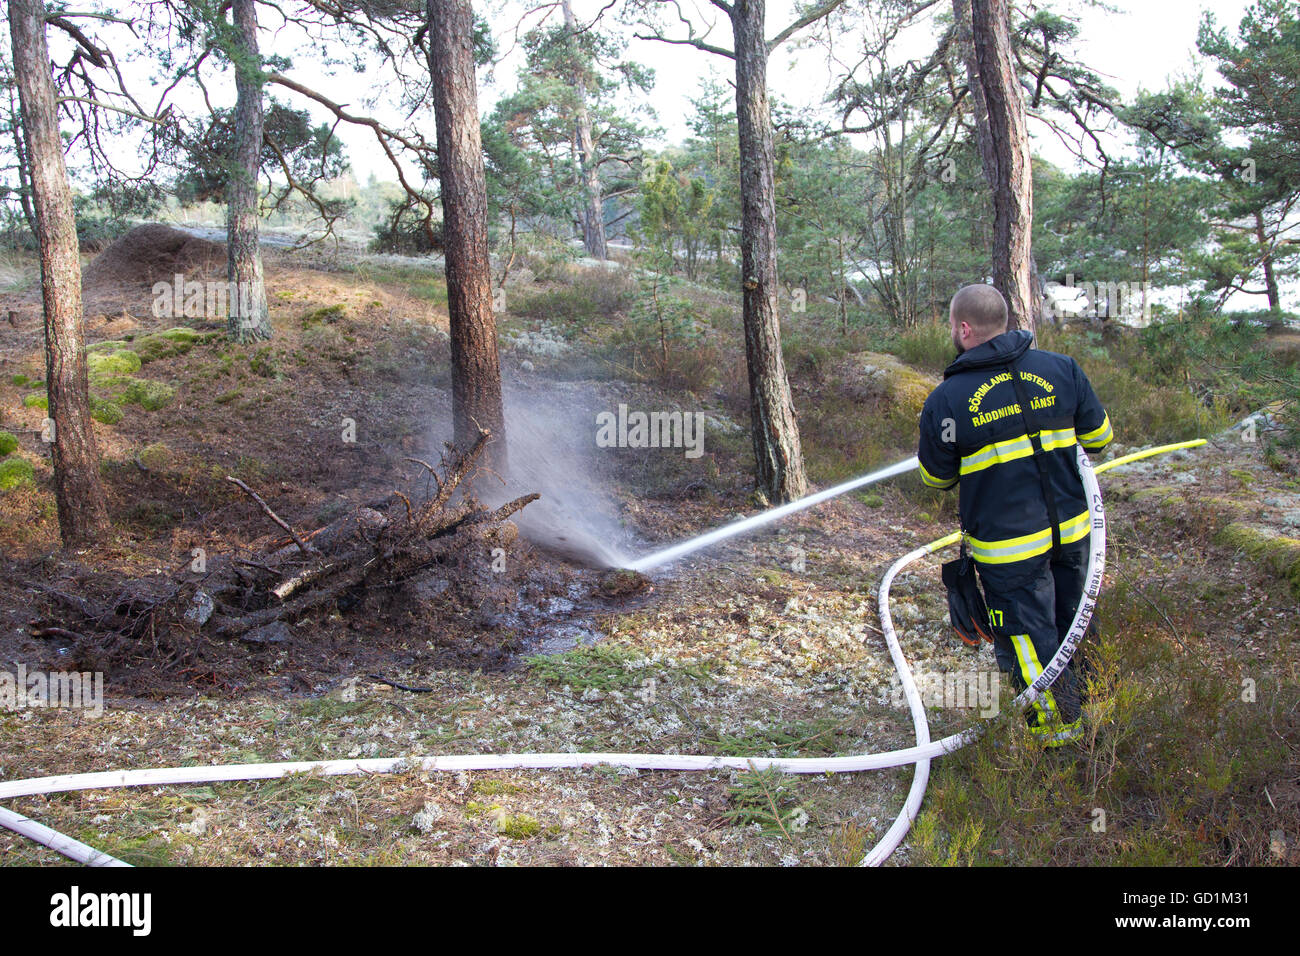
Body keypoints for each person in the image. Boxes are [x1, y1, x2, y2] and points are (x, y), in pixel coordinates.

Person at [916, 284, 1112, 746]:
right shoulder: (1061, 369)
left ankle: (1059, 739)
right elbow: (1100, 438)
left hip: (1009, 548)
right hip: (1076, 533)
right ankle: (1099, 707)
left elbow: (936, 479)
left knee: (1028, 636)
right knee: (1076, 617)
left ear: (963, 329)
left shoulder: (947, 400)